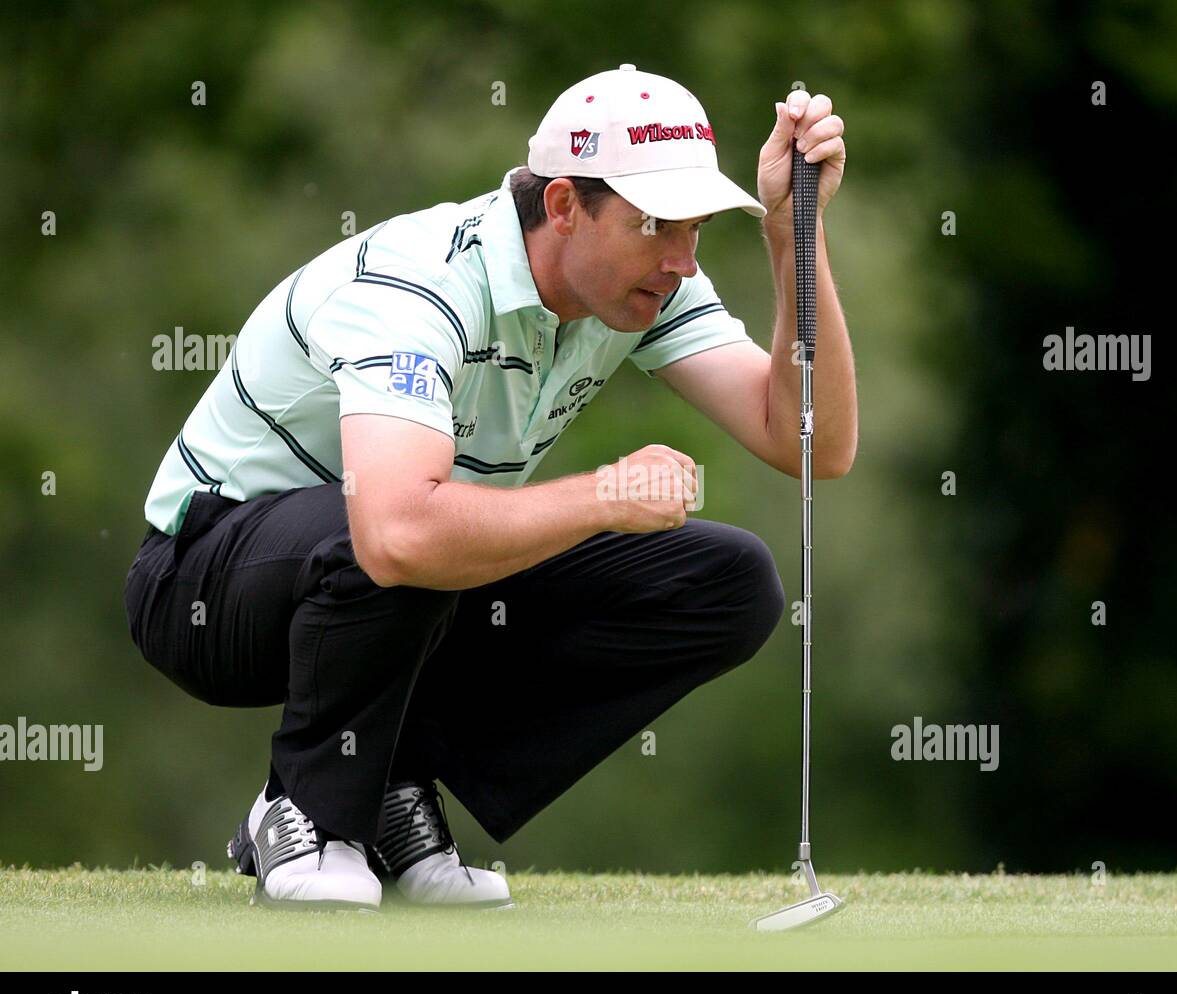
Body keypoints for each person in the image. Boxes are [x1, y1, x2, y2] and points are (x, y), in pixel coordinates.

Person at [123, 64, 855, 912]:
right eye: (654, 223)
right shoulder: (421, 283)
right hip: (203, 582)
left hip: (388, 576)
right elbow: (396, 533)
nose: (679, 259)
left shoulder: (646, 285)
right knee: (406, 529)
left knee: (725, 582)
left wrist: (791, 235)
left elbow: (812, 440)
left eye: (693, 228)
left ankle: (391, 783)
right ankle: (309, 810)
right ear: (563, 208)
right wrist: (603, 496)